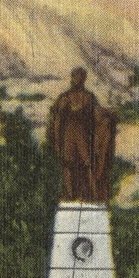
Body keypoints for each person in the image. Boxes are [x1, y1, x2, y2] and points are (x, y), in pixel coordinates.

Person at [48, 67, 114, 203]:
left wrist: (109, 114)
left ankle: (91, 194)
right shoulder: (65, 98)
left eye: (80, 77)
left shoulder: (88, 97)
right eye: (76, 76)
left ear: (83, 79)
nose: (78, 79)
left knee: (87, 164)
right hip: (69, 136)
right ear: (72, 78)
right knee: (68, 165)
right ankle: (69, 194)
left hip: (82, 136)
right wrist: (56, 139)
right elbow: (57, 120)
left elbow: (98, 114)